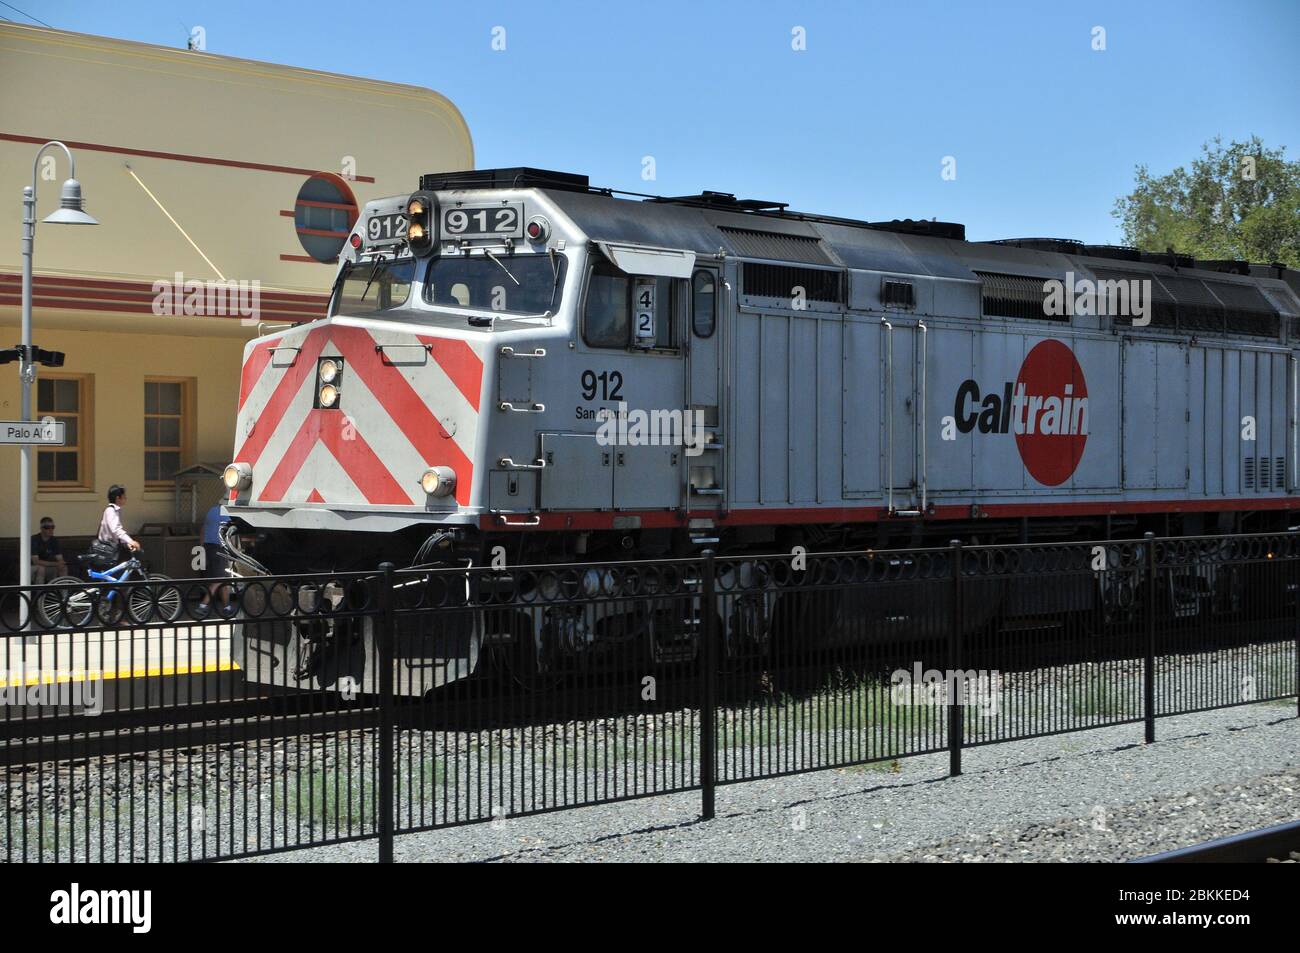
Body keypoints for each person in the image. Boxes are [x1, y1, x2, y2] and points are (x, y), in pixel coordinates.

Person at [198, 503, 231, 616]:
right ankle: (203, 604)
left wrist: (202, 548)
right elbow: (231, 534)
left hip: (208, 547)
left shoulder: (211, 510)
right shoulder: (228, 514)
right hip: (220, 548)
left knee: (222, 578)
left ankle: (227, 606)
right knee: (219, 578)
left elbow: (203, 530)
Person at [98, 484, 141, 559]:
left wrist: (126, 542)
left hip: (113, 547)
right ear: (118, 498)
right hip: (108, 549)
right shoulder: (110, 511)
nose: (126, 498)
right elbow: (116, 530)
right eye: (124, 496)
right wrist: (130, 541)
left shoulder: (115, 510)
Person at [31, 516, 66, 584]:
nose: (51, 529)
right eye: (47, 527)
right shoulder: (34, 539)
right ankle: (40, 594)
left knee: (63, 568)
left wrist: (61, 563)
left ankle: (63, 593)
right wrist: (56, 563)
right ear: (41, 528)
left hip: (47, 566)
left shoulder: (54, 540)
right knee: (41, 569)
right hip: (30, 568)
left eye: (52, 527)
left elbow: (60, 558)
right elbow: (36, 561)